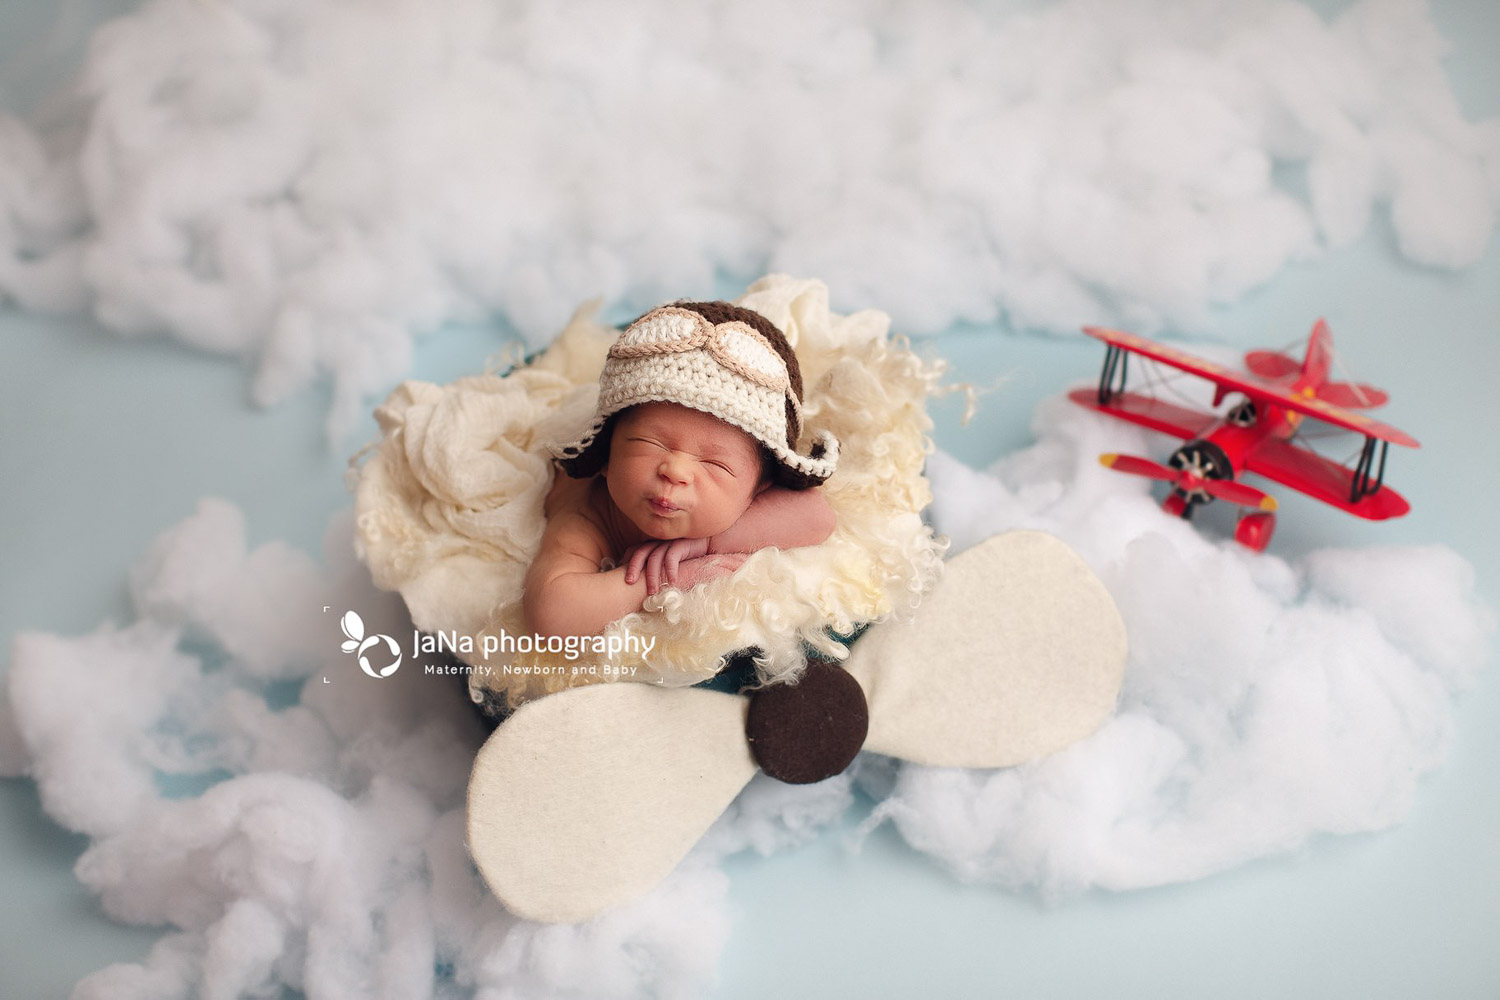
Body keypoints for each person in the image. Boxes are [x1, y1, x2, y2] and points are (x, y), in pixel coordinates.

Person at [522, 300, 868, 783]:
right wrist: (664, 580)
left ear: (759, 489)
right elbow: (553, 612)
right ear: (603, 456)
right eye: (649, 444)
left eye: (716, 465)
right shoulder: (587, 509)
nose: (676, 470)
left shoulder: (754, 498)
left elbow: (817, 516)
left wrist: (706, 544)